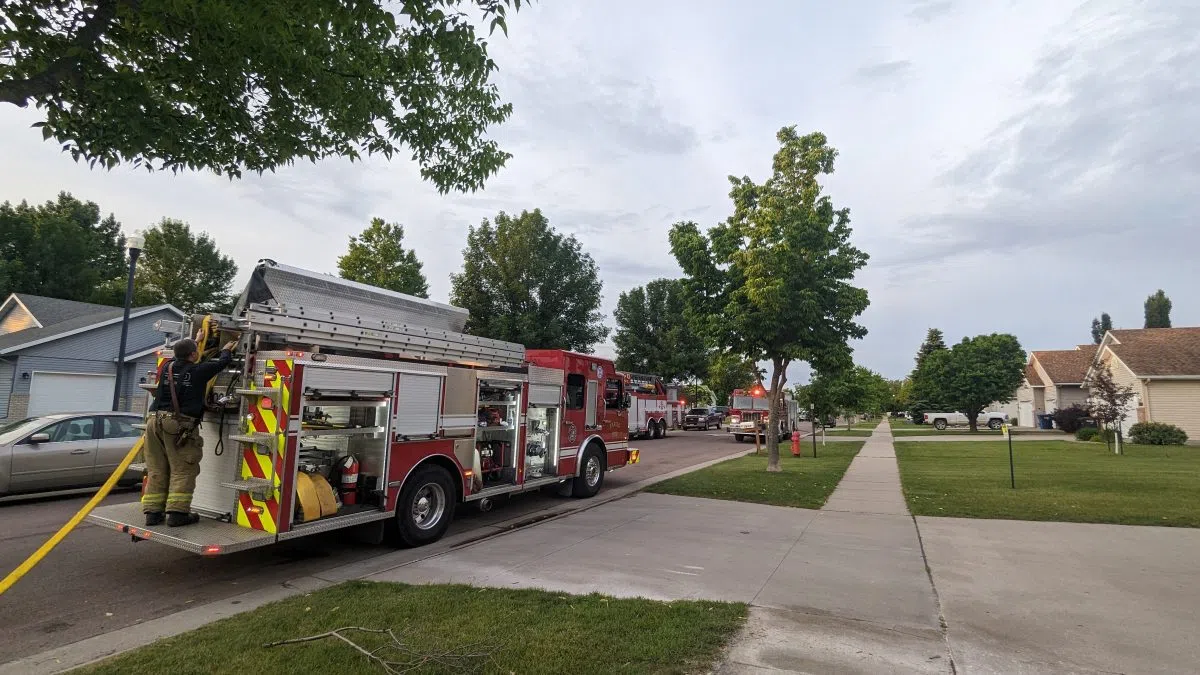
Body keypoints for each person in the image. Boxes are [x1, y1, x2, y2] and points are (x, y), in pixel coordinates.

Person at [142, 334, 236, 527]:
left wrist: (197, 339)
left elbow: (182, 353)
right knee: (183, 469)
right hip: (178, 425)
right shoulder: (198, 371)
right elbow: (222, 363)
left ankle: (152, 513)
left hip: (153, 422)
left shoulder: (167, 366)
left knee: (157, 469)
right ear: (193, 354)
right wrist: (226, 349)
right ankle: (177, 514)